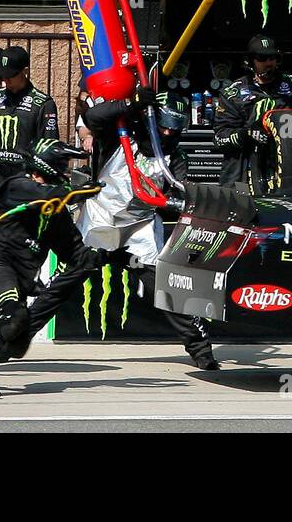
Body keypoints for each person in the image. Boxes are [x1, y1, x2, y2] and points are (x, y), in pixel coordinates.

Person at [19, 88, 220, 370]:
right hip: (100, 222)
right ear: (151, 120)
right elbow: (91, 117)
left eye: (174, 130)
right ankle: (17, 337)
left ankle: (202, 352)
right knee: (63, 285)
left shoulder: (176, 158)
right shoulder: (120, 135)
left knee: (166, 287)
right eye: (163, 128)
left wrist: (177, 201)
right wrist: (130, 104)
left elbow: (181, 193)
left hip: (140, 231)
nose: (167, 136)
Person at [0, 139, 131, 398]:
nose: (67, 172)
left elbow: (75, 253)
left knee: (15, 344)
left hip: (23, 277)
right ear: (47, 166)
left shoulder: (57, 212)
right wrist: (75, 191)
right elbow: (44, 195)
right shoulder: (17, 185)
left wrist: (110, 257)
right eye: (63, 167)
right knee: (12, 317)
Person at [214, 35, 292, 193]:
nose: (269, 63)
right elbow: (220, 139)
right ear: (250, 61)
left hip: (287, 174)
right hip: (242, 177)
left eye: (273, 57)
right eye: (263, 58)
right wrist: (246, 134)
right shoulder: (232, 94)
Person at [0, 46, 59, 188]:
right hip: (0, 181)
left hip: (29, 182)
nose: (6, 80)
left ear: (24, 71)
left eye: (10, 75)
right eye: (3, 75)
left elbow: (49, 147)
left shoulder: (43, 103)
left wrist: (41, 180)